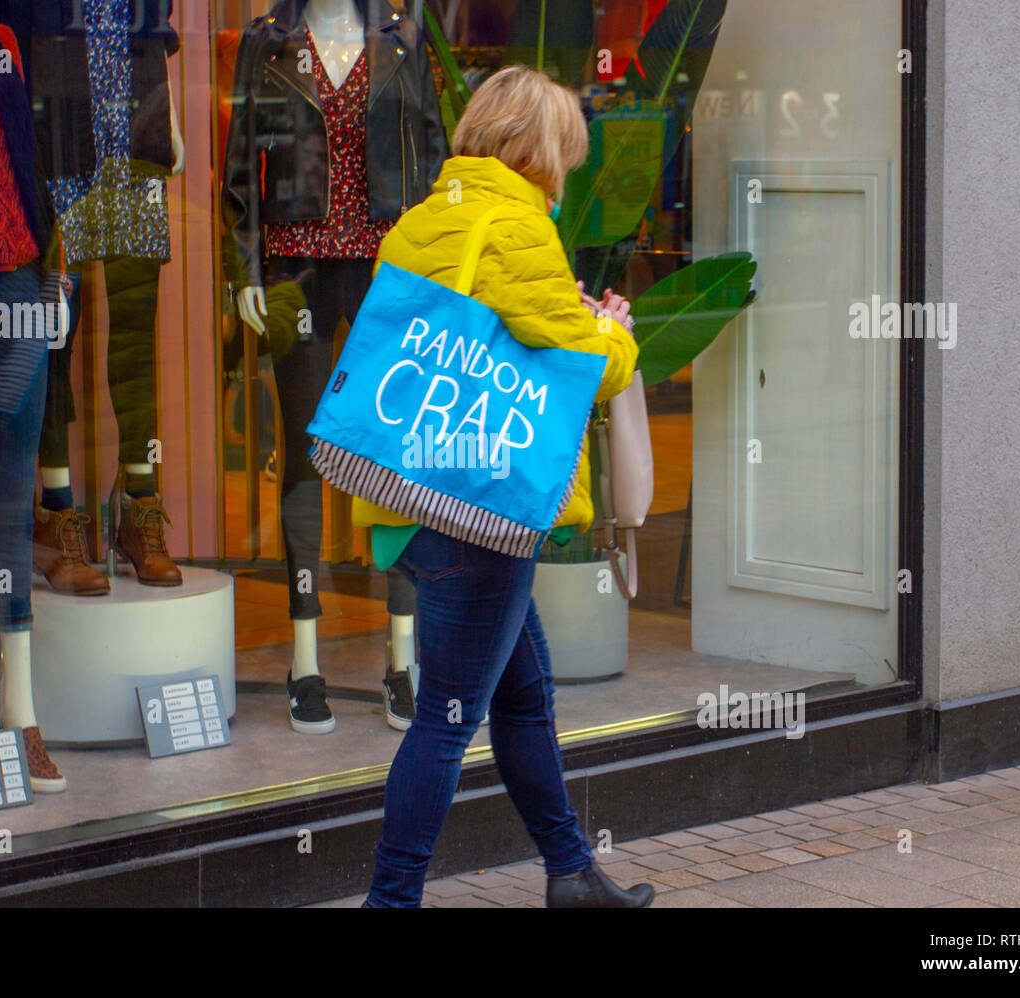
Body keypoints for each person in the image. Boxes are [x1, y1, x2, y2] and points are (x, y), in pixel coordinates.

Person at [354, 65, 651, 908]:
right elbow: (584, 365)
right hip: (481, 508)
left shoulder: (424, 218)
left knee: (522, 695)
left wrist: (572, 325)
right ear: (539, 151)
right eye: (567, 154)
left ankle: (572, 873)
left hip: (415, 498)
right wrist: (614, 334)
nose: (568, 172)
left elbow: (482, 340)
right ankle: (392, 900)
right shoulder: (515, 225)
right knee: (447, 718)